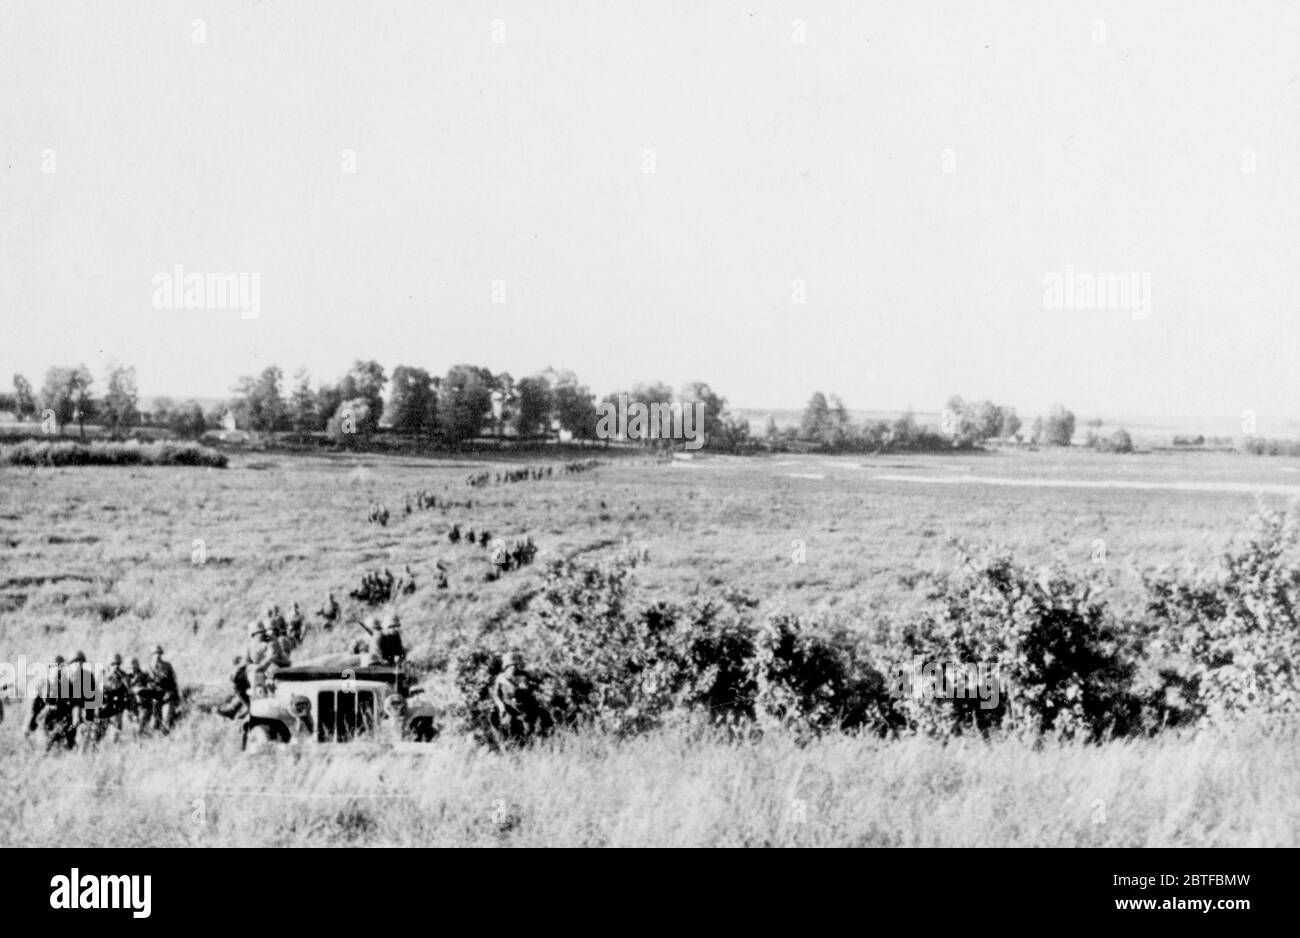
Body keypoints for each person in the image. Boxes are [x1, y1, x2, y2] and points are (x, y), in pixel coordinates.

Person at [490, 652, 544, 743]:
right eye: (510, 666)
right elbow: (495, 694)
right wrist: (501, 706)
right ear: (505, 667)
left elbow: (535, 683)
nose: (513, 668)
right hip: (509, 708)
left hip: (523, 708)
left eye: (515, 665)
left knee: (530, 728)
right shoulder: (501, 678)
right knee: (507, 728)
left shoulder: (523, 675)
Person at [148, 645, 180, 733]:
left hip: (167, 695)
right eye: (155, 653)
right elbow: (146, 684)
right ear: (152, 655)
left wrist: (176, 695)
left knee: (166, 719)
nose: (157, 655)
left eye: (159, 653)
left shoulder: (167, 665)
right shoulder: (149, 667)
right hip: (155, 696)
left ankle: (166, 733)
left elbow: (174, 681)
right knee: (154, 721)